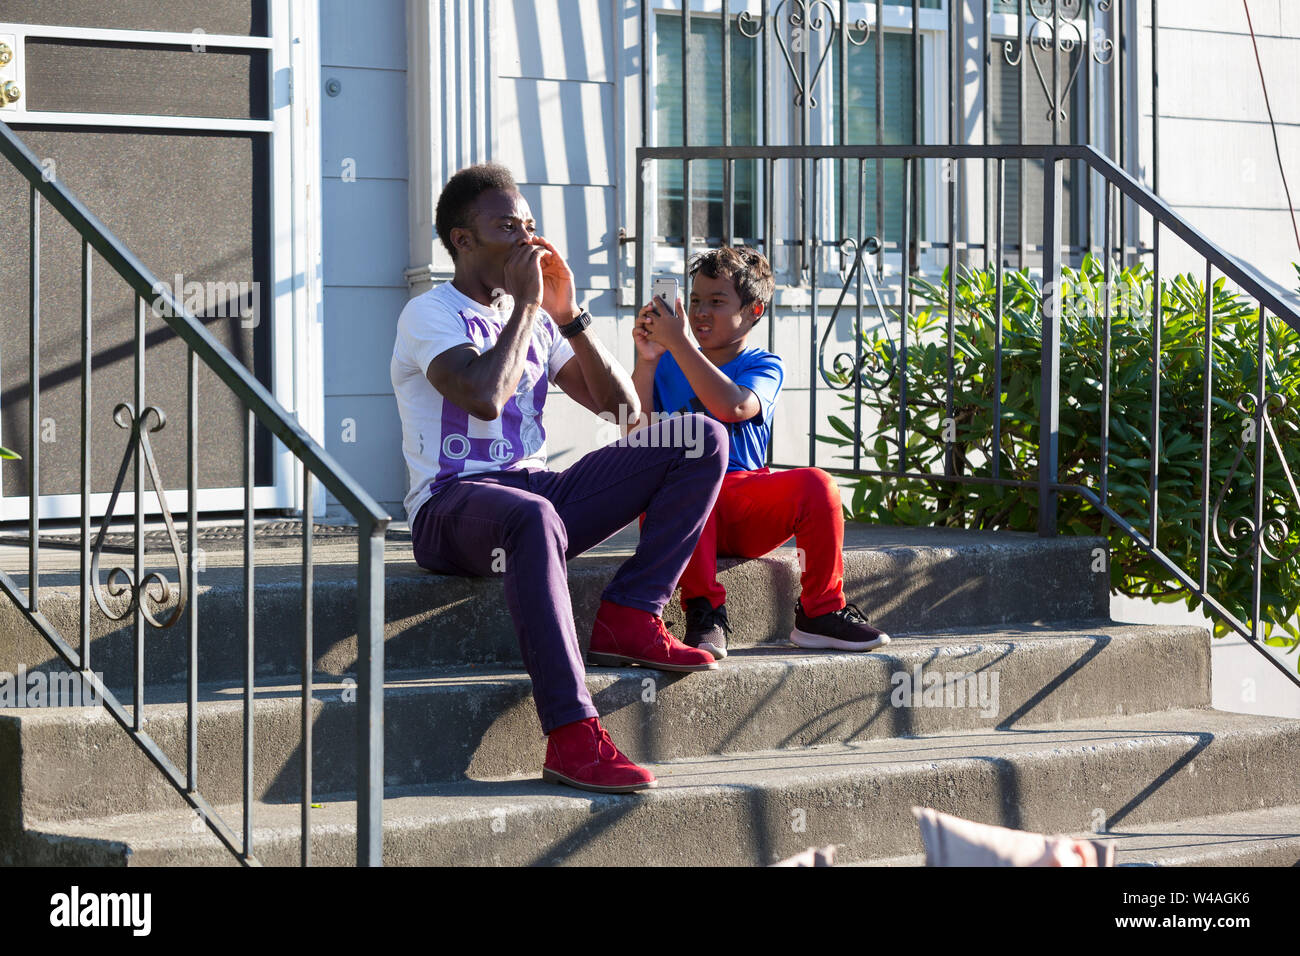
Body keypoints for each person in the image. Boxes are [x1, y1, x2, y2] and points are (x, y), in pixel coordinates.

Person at [392, 163, 726, 794]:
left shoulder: (543, 320)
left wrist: (568, 315)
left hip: (535, 494)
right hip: (450, 506)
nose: (528, 239)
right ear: (463, 240)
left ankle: (631, 614)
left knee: (698, 437)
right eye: (507, 227)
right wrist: (526, 305)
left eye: (530, 225)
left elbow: (625, 416)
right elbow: (483, 397)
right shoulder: (428, 313)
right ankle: (573, 736)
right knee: (533, 516)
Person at [629, 246, 891, 660]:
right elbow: (636, 437)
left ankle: (820, 612)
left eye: (717, 302)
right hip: (683, 508)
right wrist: (646, 362)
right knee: (682, 480)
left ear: (754, 311)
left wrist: (679, 344)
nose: (700, 312)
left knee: (818, 483)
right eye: (694, 300)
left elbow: (733, 406)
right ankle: (704, 612)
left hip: (744, 502)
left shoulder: (763, 364)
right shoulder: (664, 363)